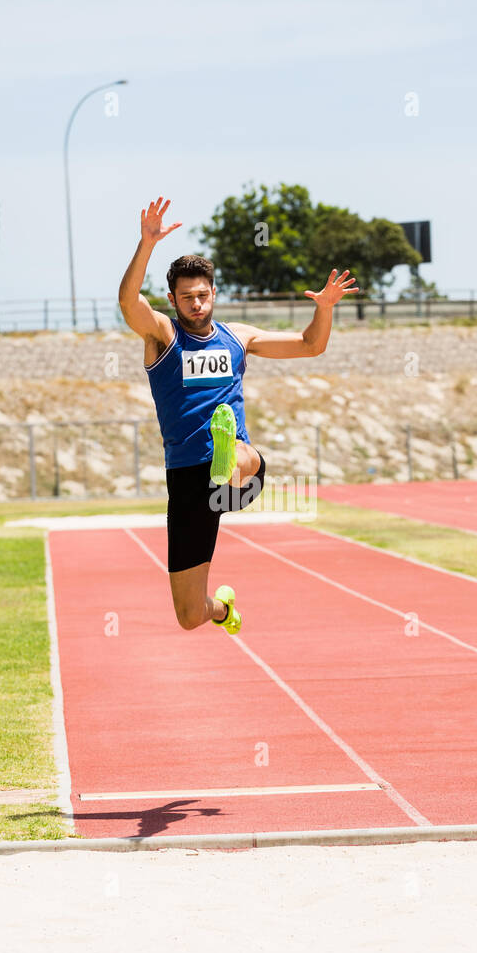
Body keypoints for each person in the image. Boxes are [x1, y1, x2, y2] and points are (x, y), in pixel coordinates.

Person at [118, 196, 357, 634]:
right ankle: (224, 609)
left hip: (241, 476)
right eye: (187, 297)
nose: (196, 305)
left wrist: (323, 310)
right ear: (172, 299)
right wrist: (146, 244)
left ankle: (229, 451)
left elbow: (310, 345)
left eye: (203, 296)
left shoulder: (238, 339)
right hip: (189, 481)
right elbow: (129, 303)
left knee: (235, 456)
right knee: (189, 617)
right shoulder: (163, 336)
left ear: (214, 294)